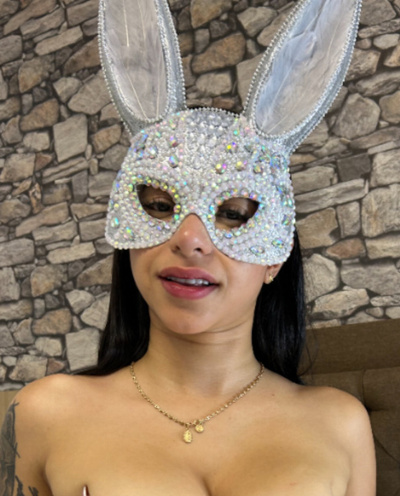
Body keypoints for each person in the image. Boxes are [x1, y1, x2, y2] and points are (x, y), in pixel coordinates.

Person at [0, 0, 376, 495]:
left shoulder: (340, 424)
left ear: (275, 257)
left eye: (233, 213)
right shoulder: (43, 413)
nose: (190, 239)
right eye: (159, 206)